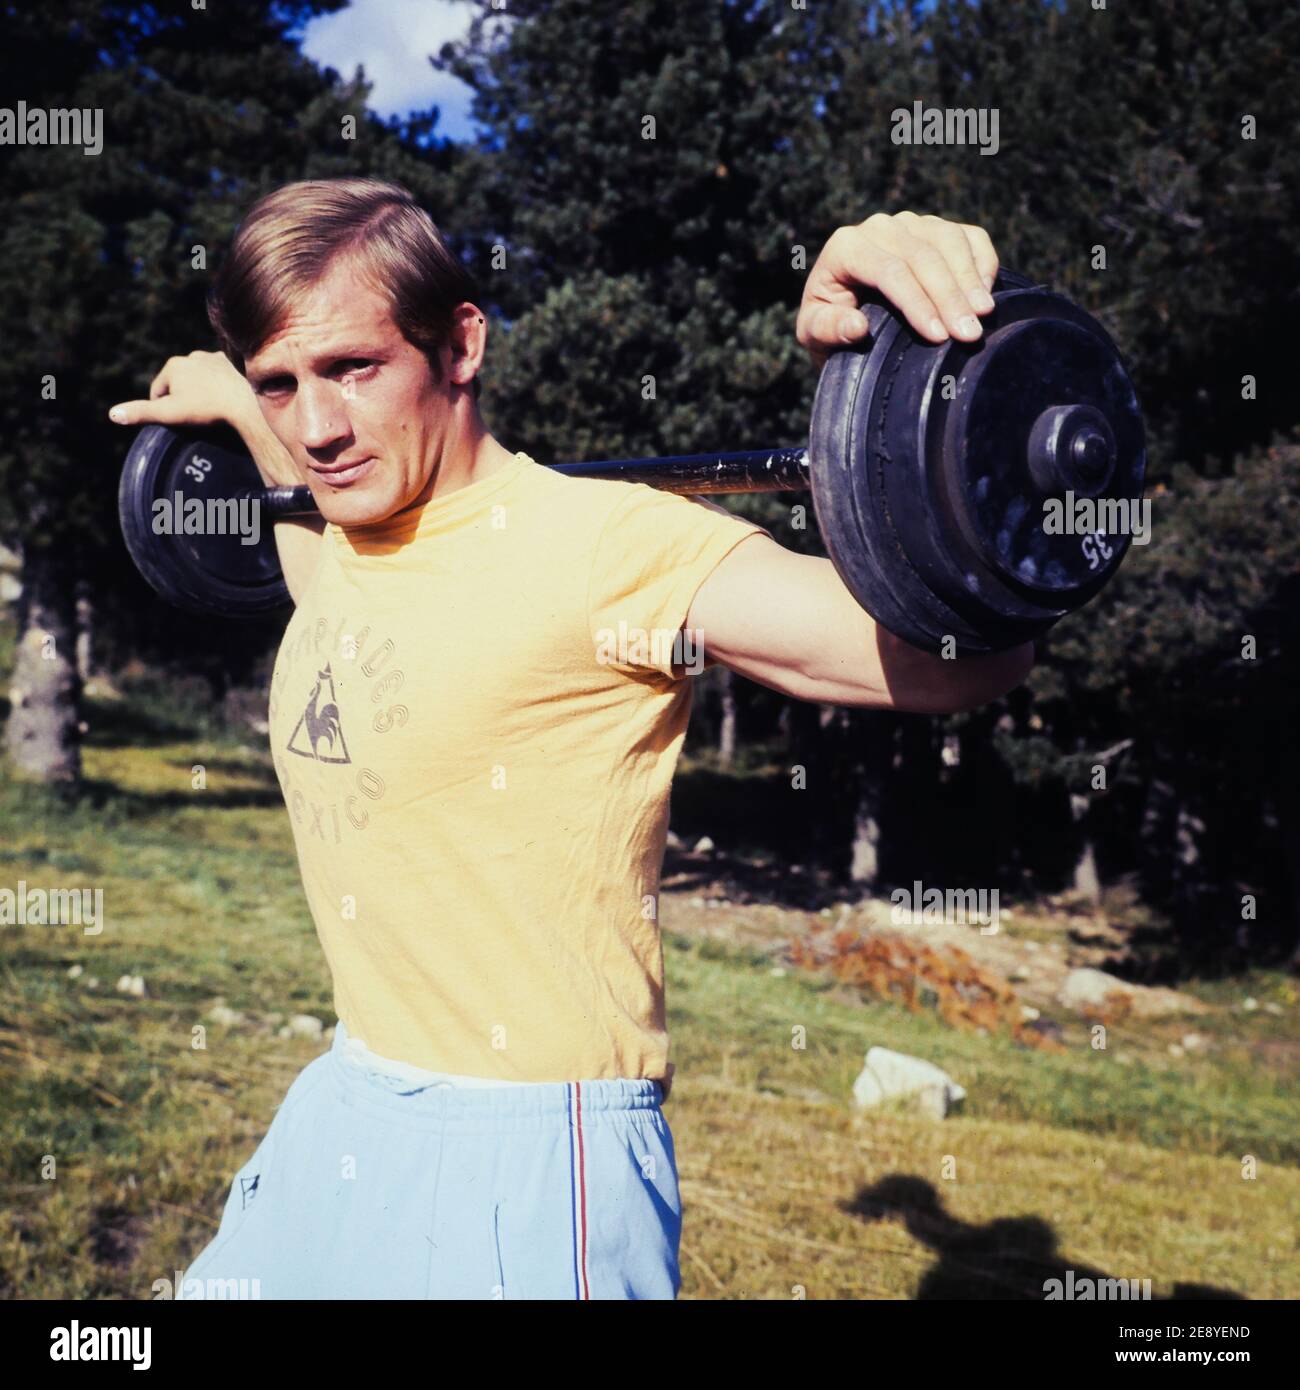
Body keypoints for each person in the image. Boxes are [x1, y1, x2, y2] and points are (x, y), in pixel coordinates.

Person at [108, 180, 1030, 1299]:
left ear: (460, 344)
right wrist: (234, 404)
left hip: (526, 1159)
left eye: (354, 369)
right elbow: (320, 544)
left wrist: (898, 359)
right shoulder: (341, 529)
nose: (317, 426)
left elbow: (960, 659)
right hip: (349, 1099)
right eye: (281, 384)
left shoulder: (611, 549)